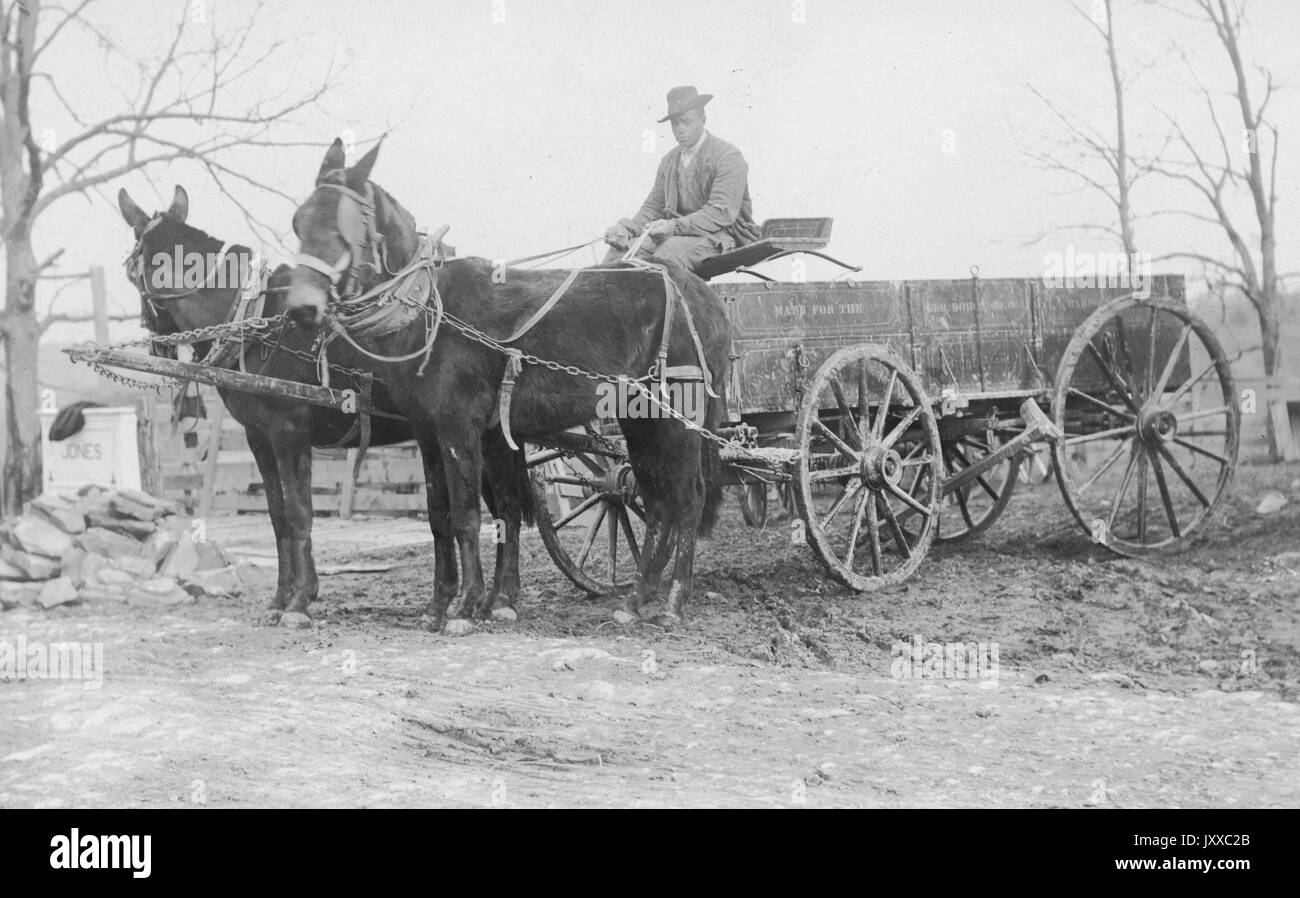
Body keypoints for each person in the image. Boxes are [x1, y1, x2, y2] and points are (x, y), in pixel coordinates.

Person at [604, 86, 760, 271]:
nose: (680, 129)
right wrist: (626, 229)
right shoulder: (669, 161)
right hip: (676, 235)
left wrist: (674, 226)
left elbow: (721, 213)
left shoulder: (728, 156)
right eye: (675, 124)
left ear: (703, 119)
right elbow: (653, 207)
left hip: (720, 236)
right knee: (618, 255)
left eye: (686, 122)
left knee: (664, 259)